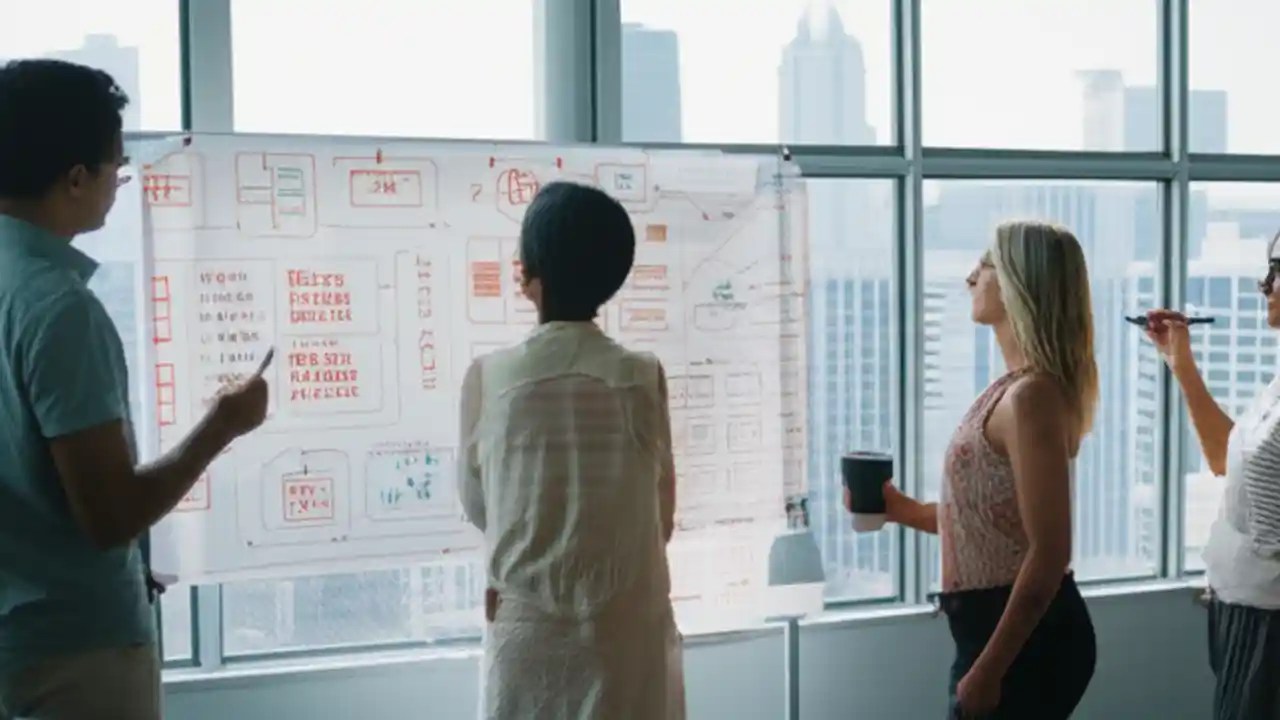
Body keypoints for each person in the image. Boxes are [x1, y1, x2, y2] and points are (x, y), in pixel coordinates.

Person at [0, 59, 270, 719]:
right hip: (73, 656)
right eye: (117, 169)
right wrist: (221, 426)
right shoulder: (57, 308)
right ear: (74, 178)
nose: (120, 187)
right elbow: (110, 516)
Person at [846, 220, 1098, 718]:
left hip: (1020, 634)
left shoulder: (1033, 397)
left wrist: (989, 668)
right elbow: (989, 520)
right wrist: (901, 510)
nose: (969, 277)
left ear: (1016, 283)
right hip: (991, 627)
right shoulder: (1014, 390)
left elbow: (1049, 553)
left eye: (984, 265)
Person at [457, 181, 684, 719]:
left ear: (529, 274)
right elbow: (662, 516)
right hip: (627, 636)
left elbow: (478, 505)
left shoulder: (488, 379)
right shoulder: (641, 376)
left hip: (525, 637)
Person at [1146, 234, 1280, 719]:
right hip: (1242, 611)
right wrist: (1181, 363)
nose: (1265, 286)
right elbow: (1227, 460)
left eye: (1276, 271)